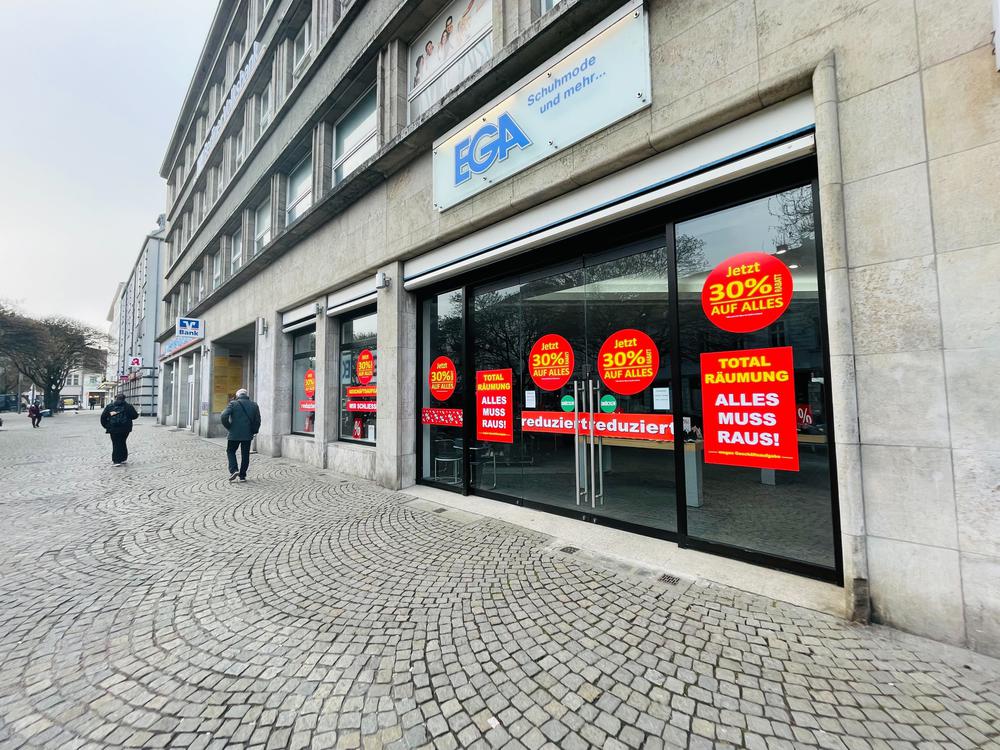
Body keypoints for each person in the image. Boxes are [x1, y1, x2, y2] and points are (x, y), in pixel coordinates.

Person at [221, 387, 261, 482]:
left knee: (230, 451)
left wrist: (229, 427)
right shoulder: (254, 405)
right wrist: (254, 431)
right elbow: (258, 420)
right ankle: (242, 476)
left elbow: (223, 416)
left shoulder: (233, 404)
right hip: (247, 435)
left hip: (234, 434)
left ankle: (234, 470)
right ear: (246, 395)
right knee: (245, 454)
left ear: (237, 395)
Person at [100, 393, 139, 466]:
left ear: (116, 398)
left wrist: (106, 426)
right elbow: (135, 416)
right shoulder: (128, 406)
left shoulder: (110, 406)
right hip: (125, 428)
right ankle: (123, 458)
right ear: (124, 398)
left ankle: (116, 460)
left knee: (115, 443)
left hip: (113, 428)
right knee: (122, 441)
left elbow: (103, 417)